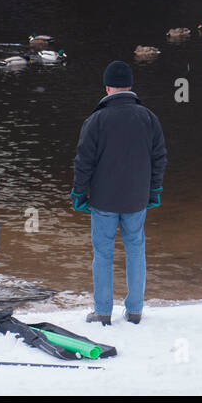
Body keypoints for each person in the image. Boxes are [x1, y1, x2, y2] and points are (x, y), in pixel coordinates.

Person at [71, 60, 167, 325]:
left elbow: (83, 162)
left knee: (102, 253)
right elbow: (159, 157)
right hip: (137, 199)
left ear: (107, 87)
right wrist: (154, 190)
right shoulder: (148, 118)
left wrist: (79, 194)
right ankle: (134, 310)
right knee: (136, 249)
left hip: (103, 199)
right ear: (130, 86)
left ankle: (103, 312)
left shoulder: (97, 120)